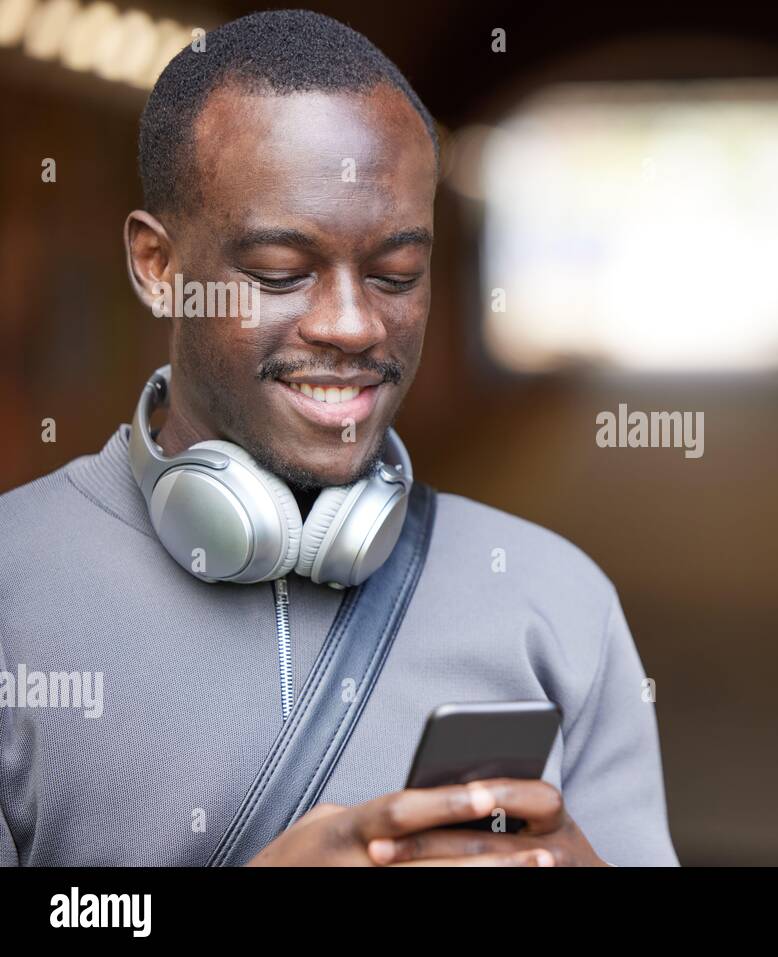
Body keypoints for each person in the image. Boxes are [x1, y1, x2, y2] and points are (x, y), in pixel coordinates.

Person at [0, 9, 677, 867]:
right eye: (281, 273)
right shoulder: (12, 598)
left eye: (397, 275)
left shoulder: (558, 602)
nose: (355, 326)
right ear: (158, 266)